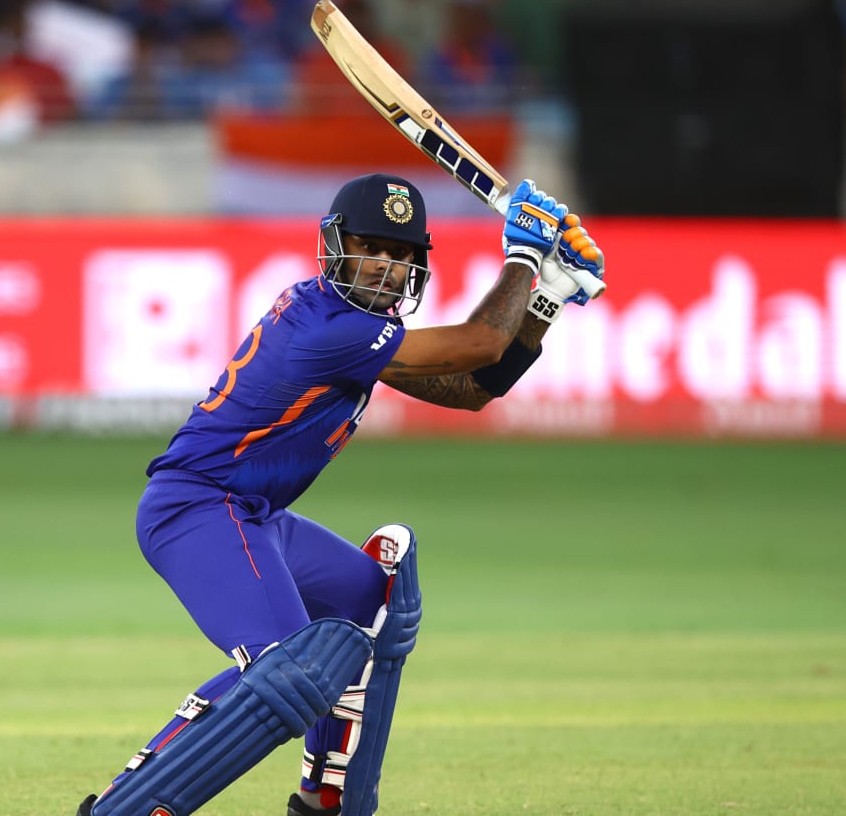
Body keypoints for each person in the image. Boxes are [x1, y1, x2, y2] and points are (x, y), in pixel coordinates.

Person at [75, 173, 604, 816]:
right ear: (334, 246)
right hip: (199, 507)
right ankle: (125, 806)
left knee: (370, 604)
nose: (385, 265)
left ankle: (327, 798)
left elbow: (472, 389)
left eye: (401, 253)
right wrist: (524, 256)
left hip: (255, 514)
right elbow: (481, 343)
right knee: (290, 670)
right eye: (369, 247)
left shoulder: (357, 327)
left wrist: (547, 296)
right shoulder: (333, 328)